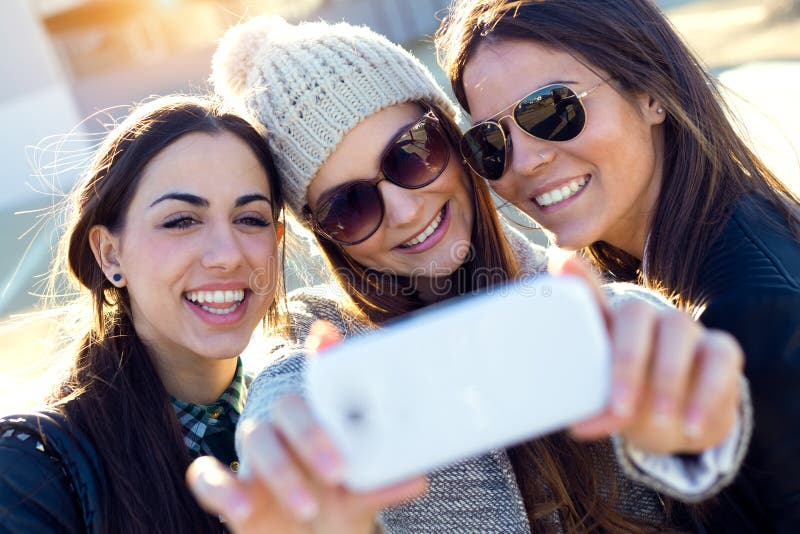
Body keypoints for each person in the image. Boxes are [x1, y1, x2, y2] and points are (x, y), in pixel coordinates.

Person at [187, 16, 751, 533]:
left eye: (413, 153)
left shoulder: (584, 299)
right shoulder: (321, 342)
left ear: (455, 141)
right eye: (349, 205)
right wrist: (277, 444)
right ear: (324, 232)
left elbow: (639, 334)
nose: (407, 211)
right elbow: (286, 385)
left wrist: (694, 425)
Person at [435, 0, 800, 530]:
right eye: (491, 141)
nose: (524, 160)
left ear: (651, 93)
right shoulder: (653, 264)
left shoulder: (747, 317)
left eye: (552, 110)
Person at [0, 95, 287, 533]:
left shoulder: (305, 417)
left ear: (278, 239)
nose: (228, 256)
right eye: (181, 221)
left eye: (250, 218)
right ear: (110, 253)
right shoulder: (28, 469)